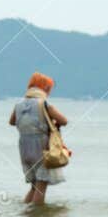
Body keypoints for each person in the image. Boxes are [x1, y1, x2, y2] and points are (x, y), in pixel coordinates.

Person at [9, 72, 68, 205]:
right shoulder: (45, 104)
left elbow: (12, 122)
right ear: (45, 88)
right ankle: (36, 216)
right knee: (41, 185)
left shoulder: (19, 105)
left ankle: (26, 214)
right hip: (41, 148)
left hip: (24, 148)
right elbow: (64, 121)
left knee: (34, 185)